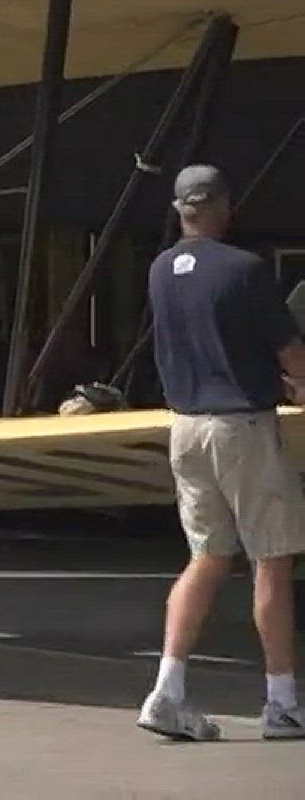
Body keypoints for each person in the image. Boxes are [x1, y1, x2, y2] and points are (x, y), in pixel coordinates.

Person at [136, 165, 305, 741]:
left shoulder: (160, 270)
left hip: (185, 428)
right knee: (271, 558)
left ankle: (167, 690)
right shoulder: (245, 269)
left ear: (179, 209)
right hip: (242, 427)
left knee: (206, 556)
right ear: (225, 206)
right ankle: (282, 703)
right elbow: (290, 352)